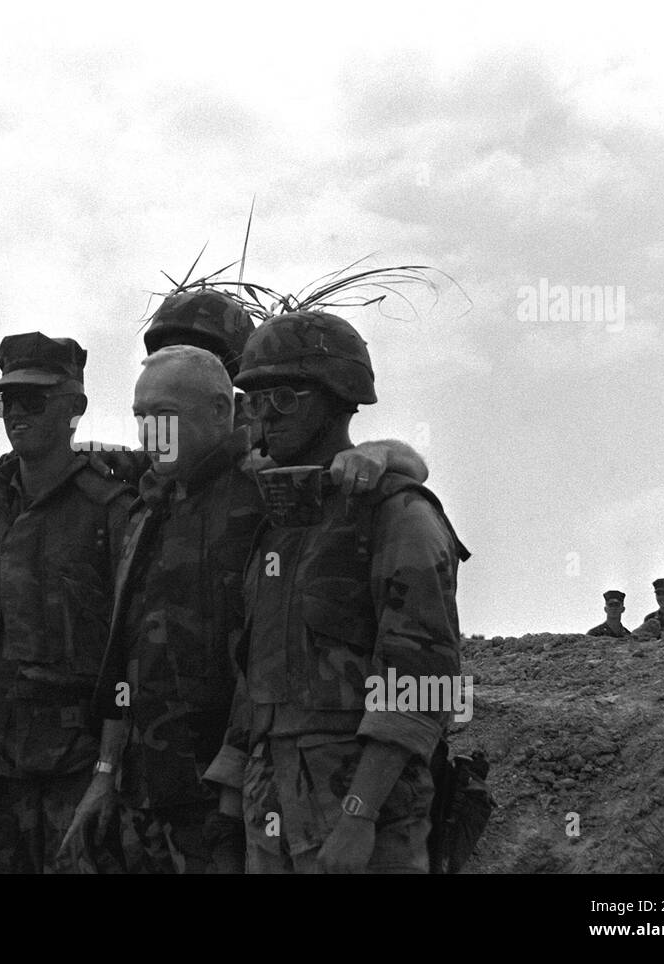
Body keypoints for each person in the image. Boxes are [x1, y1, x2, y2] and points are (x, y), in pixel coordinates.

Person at [62, 345, 431, 873]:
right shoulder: (148, 509)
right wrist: (104, 772)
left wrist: (385, 453)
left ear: (221, 410)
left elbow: (387, 467)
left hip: (237, 794)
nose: (150, 434)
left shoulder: (268, 482)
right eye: (141, 419)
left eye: (164, 416)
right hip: (144, 795)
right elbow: (125, 656)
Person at [203, 310, 469, 874]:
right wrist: (232, 796)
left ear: (338, 398)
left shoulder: (396, 515)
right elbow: (255, 676)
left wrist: (359, 814)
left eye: (285, 398)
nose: (265, 416)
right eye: (253, 400)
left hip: (361, 827)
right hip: (270, 814)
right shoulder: (277, 520)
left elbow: (422, 681)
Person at [0, 332, 134, 874]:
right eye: (4, 402)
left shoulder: (112, 510)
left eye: (32, 400)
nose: (15, 413)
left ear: (74, 408)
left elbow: (128, 652)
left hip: (72, 768)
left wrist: (108, 770)